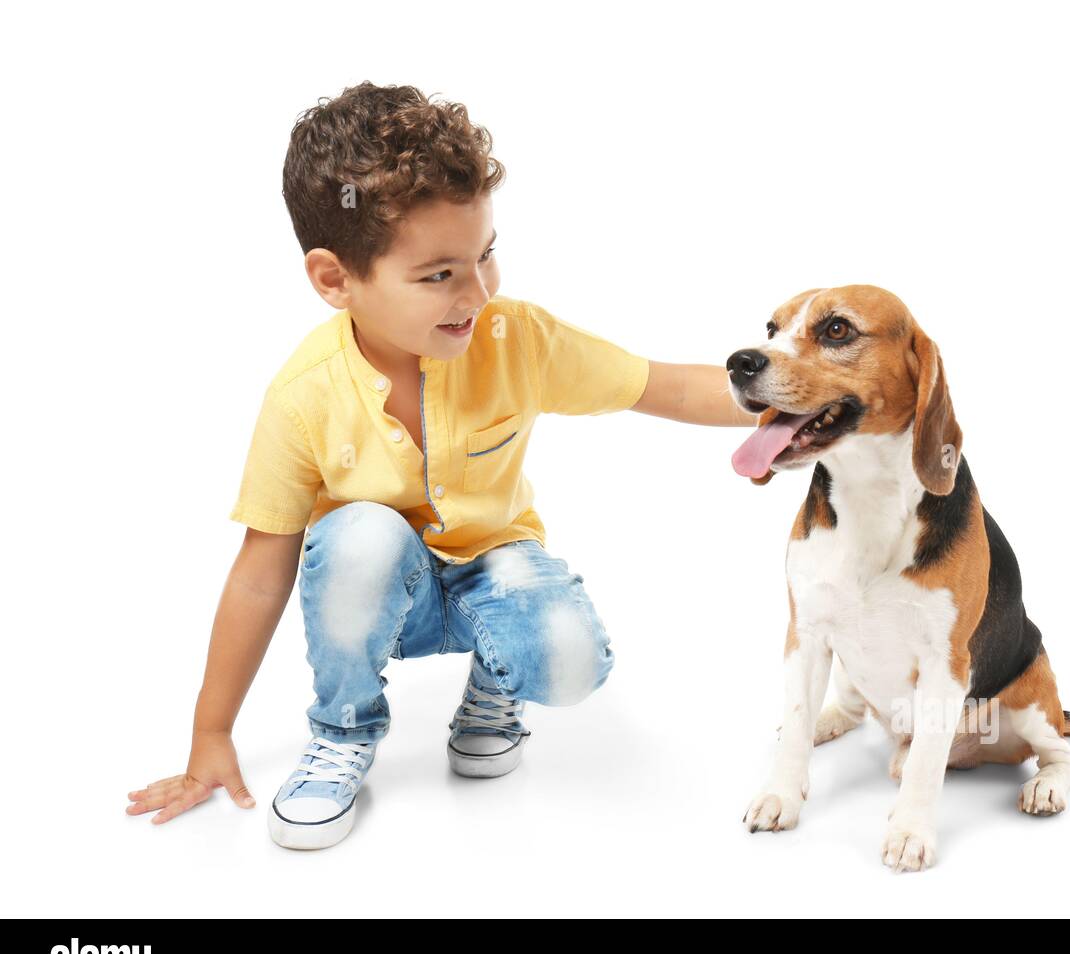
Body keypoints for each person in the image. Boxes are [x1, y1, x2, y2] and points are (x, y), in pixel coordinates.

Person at [125, 81, 756, 849]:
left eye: (486, 255)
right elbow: (261, 572)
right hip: (384, 596)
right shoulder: (303, 396)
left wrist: (795, 401)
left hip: (495, 570)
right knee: (358, 533)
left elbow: (670, 384)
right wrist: (210, 733)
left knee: (569, 658)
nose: (479, 293)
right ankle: (343, 731)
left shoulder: (512, 338)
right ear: (335, 280)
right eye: (439, 274)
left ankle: (497, 684)